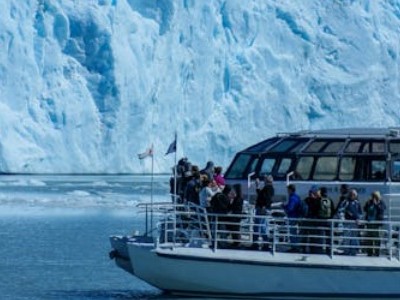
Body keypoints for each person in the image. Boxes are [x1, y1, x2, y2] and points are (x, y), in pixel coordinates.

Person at [252, 175, 274, 250]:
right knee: (262, 226)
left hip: (262, 209)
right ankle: (263, 243)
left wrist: (263, 206)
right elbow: (262, 195)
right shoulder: (269, 188)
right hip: (263, 209)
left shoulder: (268, 188)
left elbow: (264, 197)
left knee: (260, 226)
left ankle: (259, 243)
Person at [338, 189, 362, 255]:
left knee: (354, 237)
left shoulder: (357, 203)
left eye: (354, 194)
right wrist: (342, 218)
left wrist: (359, 219)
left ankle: (353, 251)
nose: (353, 195)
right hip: (347, 222)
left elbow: (360, 213)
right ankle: (346, 251)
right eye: (352, 194)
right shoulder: (346, 202)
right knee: (347, 237)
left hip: (355, 223)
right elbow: (340, 210)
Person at [363, 191, 386, 256]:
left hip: (377, 224)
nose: (373, 197)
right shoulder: (369, 202)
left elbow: (382, 209)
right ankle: (369, 252)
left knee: (377, 239)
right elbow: (364, 209)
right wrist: (368, 203)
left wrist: (376, 204)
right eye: (373, 196)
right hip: (369, 223)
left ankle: (377, 253)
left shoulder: (381, 202)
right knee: (369, 238)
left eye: (375, 196)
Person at [301, 185, 320, 253]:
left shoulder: (309, 200)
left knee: (312, 236)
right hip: (309, 221)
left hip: (311, 221)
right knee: (307, 236)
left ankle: (311, 248)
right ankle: (306, 248)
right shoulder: (310, 200)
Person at [283, 184, 302, 252]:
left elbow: (290, 208)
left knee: (292, 232)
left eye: (288, 190)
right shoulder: (297, 197)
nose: (287, 191)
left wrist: (284, 207)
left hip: (293, 217)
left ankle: (295, 247)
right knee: (295, 232)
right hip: (297, 216)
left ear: (290, 190)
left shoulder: (292, 198)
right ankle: (296, 246)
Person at [317, 186, 335, 254]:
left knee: (320, 235)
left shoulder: (319, 200)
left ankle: (320, 248)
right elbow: (333, 210)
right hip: (328, 220)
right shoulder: (329, 199)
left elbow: (316, 209)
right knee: (328, 235)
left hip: (321, 219)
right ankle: (329, 248)